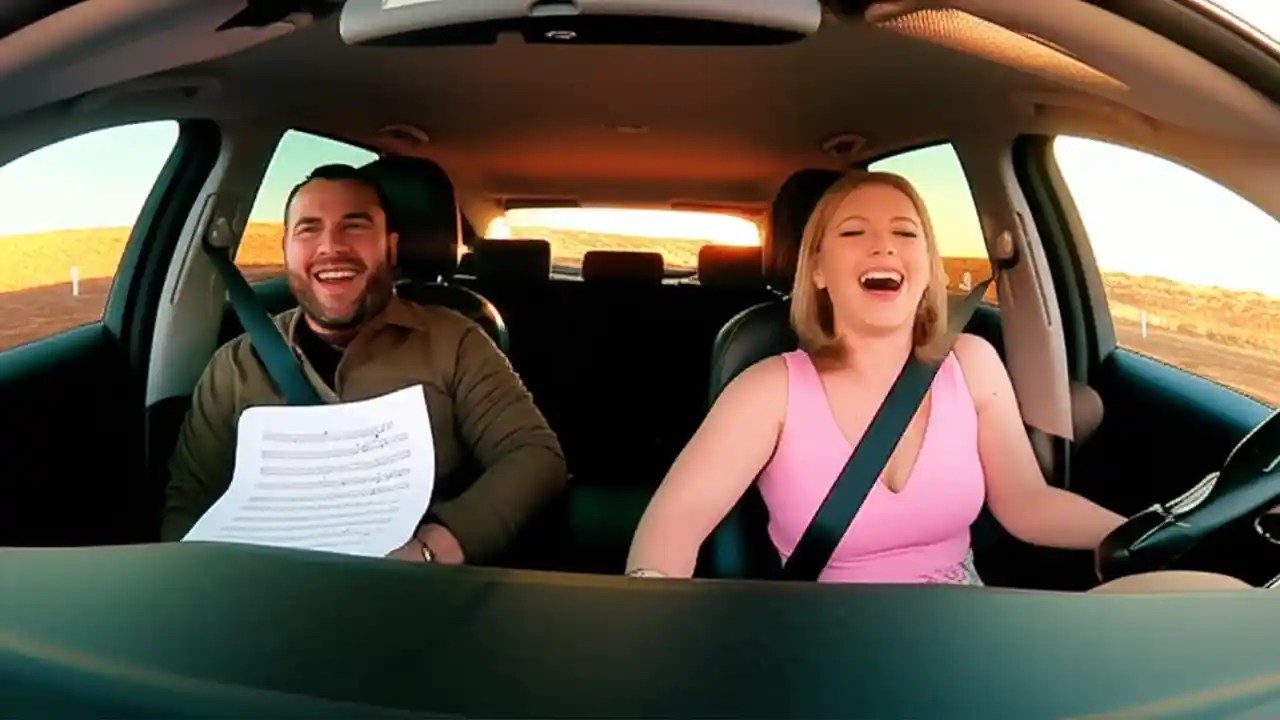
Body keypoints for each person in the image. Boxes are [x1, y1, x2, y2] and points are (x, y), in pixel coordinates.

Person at [626, 169, 1138, 585]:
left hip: (962, 628)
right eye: (853, 232)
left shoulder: (973, 362)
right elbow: (673, 525)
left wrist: (1140, 536)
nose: (884, 247)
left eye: (905, 232)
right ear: (818, 271)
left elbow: (1028, 505)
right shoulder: (769, 389)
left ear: (928, 266)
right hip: (826, 640)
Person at [161, 164, 568, 566]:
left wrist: (434, 548)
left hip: (418, 589)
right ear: (286, 248)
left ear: (390, 246)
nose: (331, 246)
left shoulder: (454, 341)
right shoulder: (234, 366)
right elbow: (190, 507)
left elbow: (533, 454)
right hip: (266, 594)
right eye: (309, 229)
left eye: (354, 226)